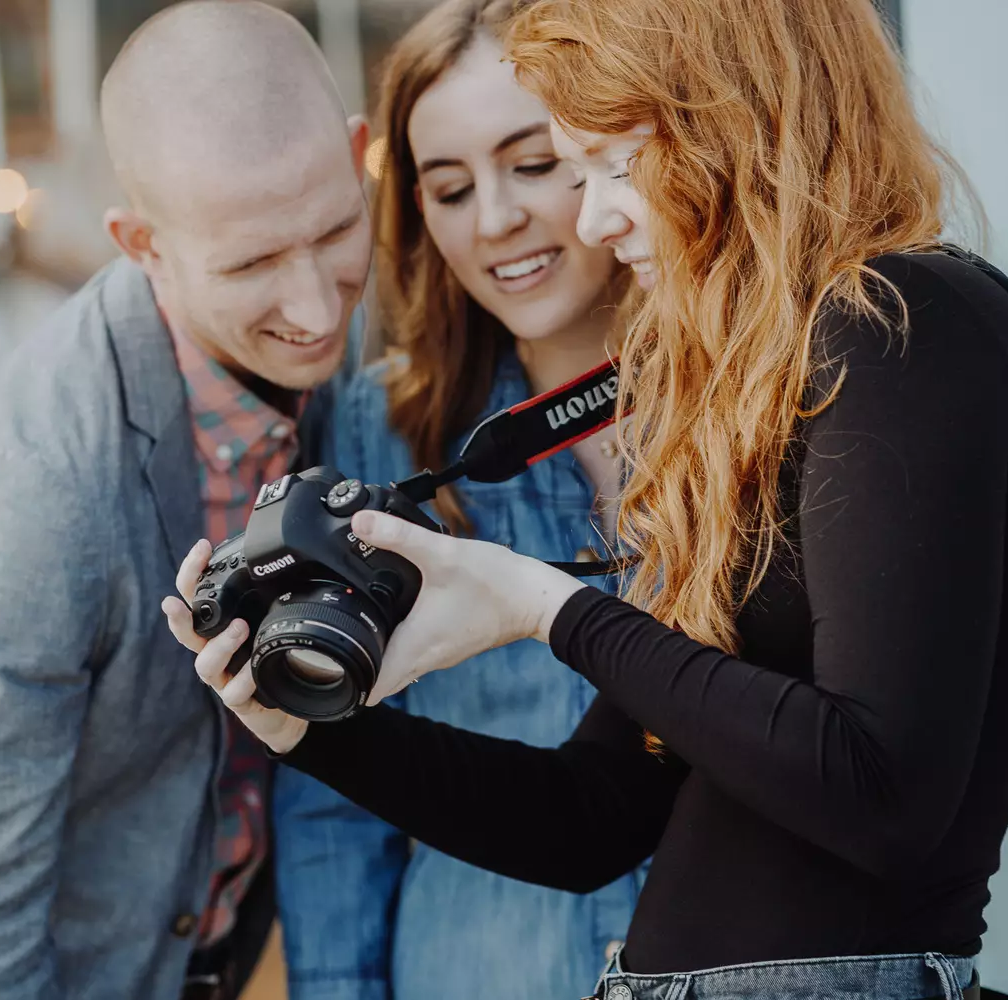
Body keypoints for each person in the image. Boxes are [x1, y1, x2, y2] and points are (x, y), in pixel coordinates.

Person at [165, 1, 1008, 998]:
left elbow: (881, 794)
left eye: (610, 163)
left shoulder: (894, 323)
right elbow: (590, 815)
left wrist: (548, 610)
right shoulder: (799, 369)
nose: (595, 216)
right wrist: (311, 728)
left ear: (734, 117)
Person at [0, 3, 370, 999]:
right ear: (141, 242)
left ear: (358, 155)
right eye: (251, 265)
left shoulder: (358, 362)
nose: (319, 307)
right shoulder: (33, 485)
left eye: (335, 231)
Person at [269, 2, 642, 999]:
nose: (495, 220)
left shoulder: (754, 406)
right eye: (450, 187)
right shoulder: (373, 433)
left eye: (533, 163)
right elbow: (335, 799)